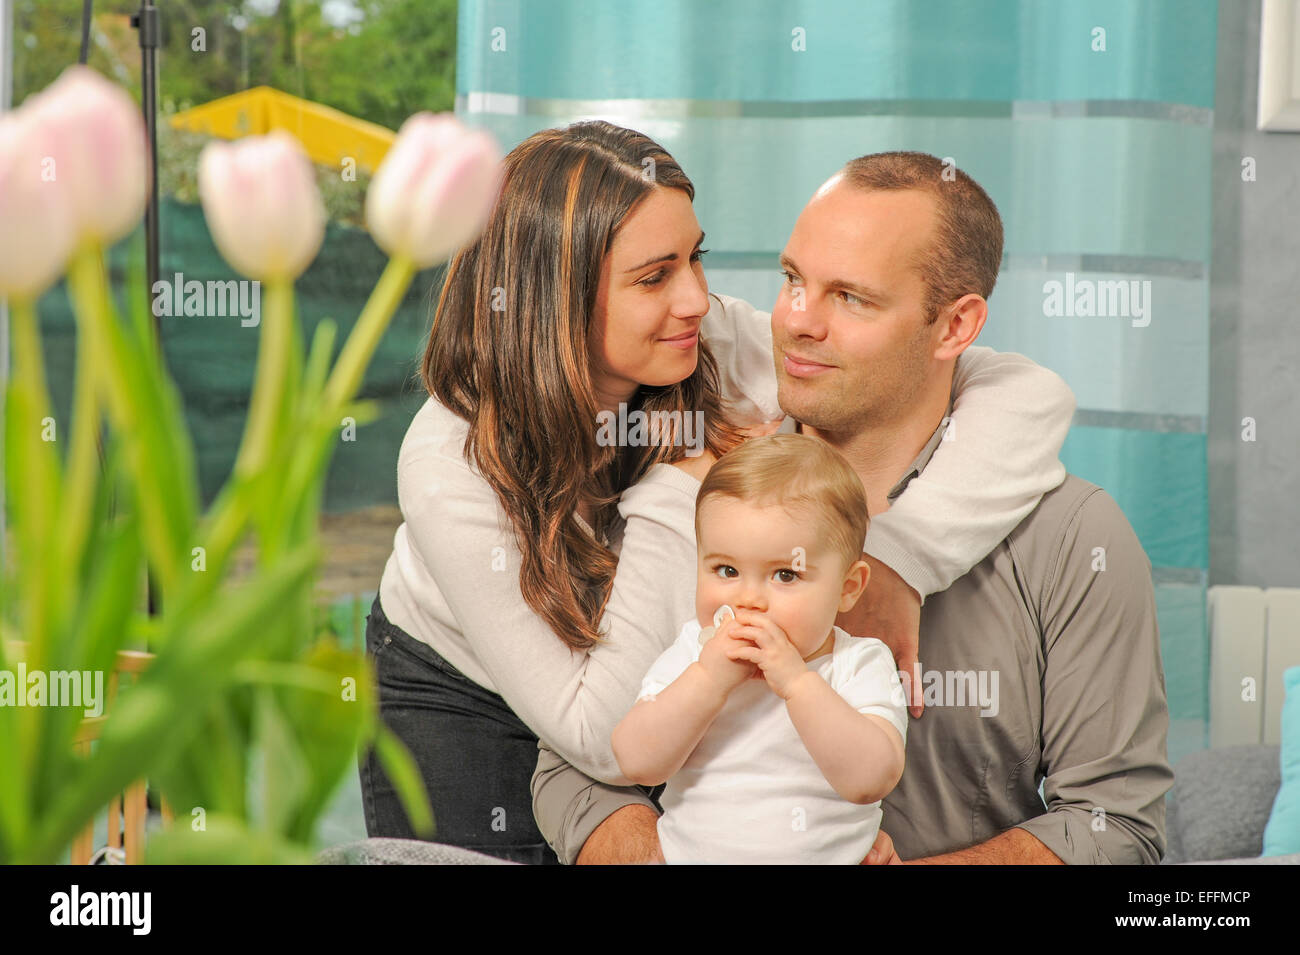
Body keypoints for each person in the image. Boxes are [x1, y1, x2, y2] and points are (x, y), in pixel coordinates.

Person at [358, 121, 1077, 864]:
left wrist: (901, 560)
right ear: (551, 298)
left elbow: (1028, 393)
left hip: (647, 670)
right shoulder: (451, 463)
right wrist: (684, 481)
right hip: (464, 695)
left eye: (693, 258)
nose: (698, 298)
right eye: (654, 276)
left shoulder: (703, 346)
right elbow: (598, 736)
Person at [532, 151, 1173, 865]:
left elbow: (1115, 825)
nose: (799, 322)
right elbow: (575, 769)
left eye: (851, 298)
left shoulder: (1074, 540)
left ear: (955, 327)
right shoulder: (690, 494)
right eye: (792, 281)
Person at [612, 433, 908, 864]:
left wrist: (797, 684)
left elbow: (870, 779)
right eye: (726, 569)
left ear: (848, 588)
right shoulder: (694, 653)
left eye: (785, 575)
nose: (748, 600)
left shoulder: (857, 664)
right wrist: (708, 679)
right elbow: (636, 760)